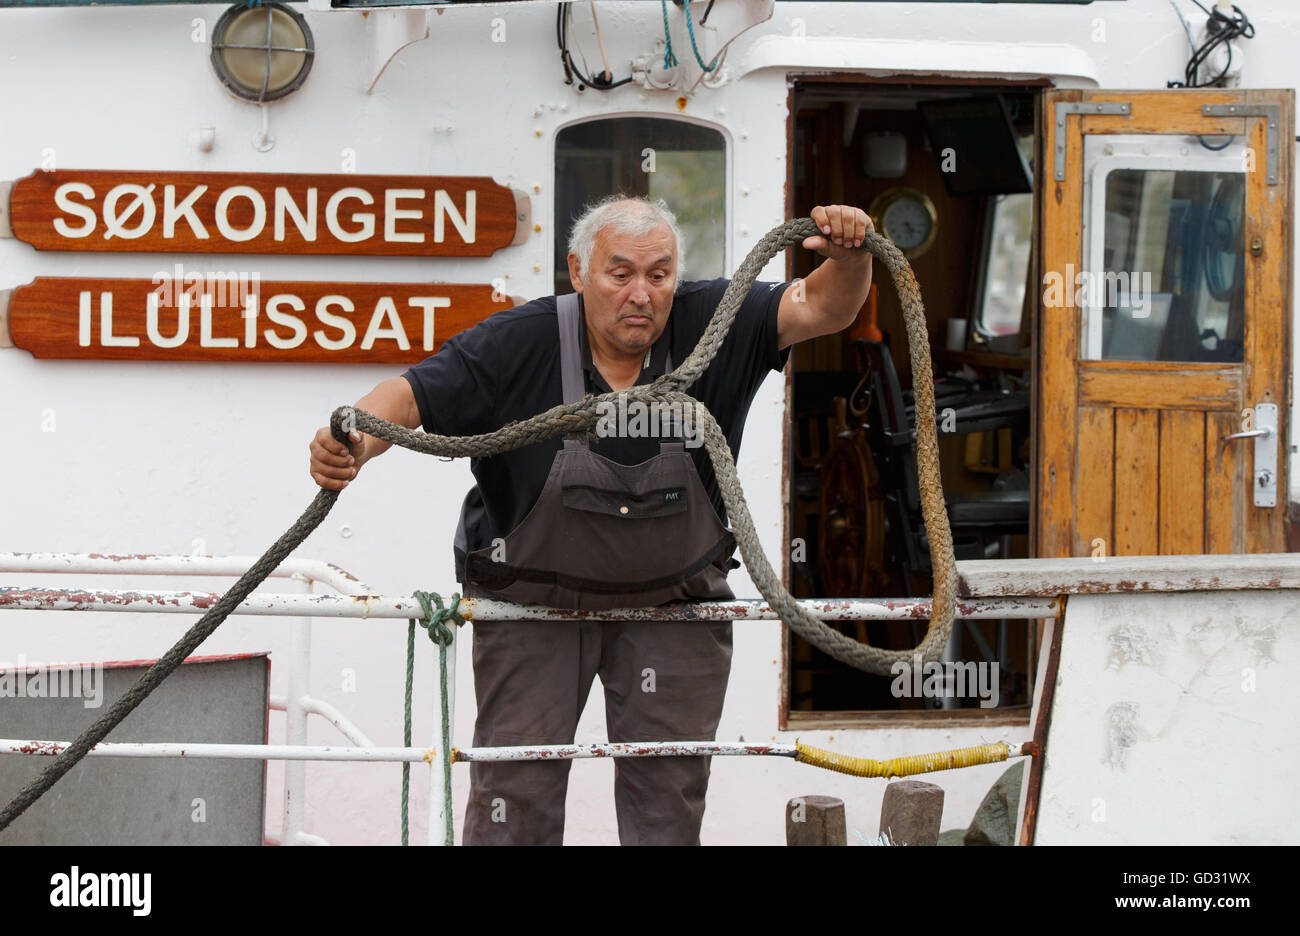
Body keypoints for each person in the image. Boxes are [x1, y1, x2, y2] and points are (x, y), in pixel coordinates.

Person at [308, 196, 874, 844]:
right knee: (513, 796)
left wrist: (851, 257)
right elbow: (406, 399)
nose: (642, 294)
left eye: (659, 275)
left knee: (668, 803)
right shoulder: (516, 342)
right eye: (620, 273)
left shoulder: (718, 320)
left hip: (674, 609)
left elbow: (825, 306)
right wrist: (354, 439)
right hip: (532, 612)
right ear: (577, 271)